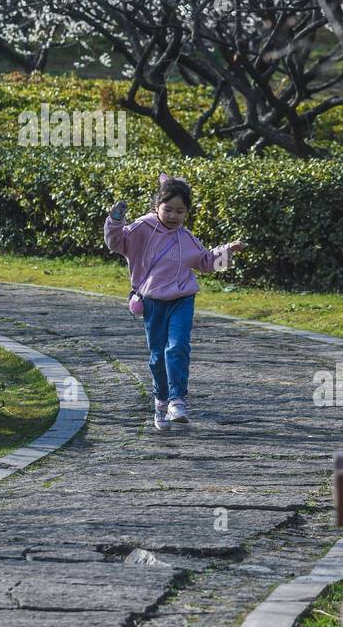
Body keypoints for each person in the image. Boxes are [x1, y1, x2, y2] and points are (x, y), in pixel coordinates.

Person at [104, 173, 244, 432]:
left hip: (182, 300)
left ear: (187, 213)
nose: (173, 216)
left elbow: (205, 262)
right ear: (156, 206)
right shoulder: (141, 229)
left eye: (180, 211)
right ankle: (160, 401)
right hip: (153, 302)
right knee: (158, 355)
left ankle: (177, 399)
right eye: (168, 209)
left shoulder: (186, 238)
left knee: (177, 346)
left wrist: (226, 252)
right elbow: (116, 243)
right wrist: (115, 220)